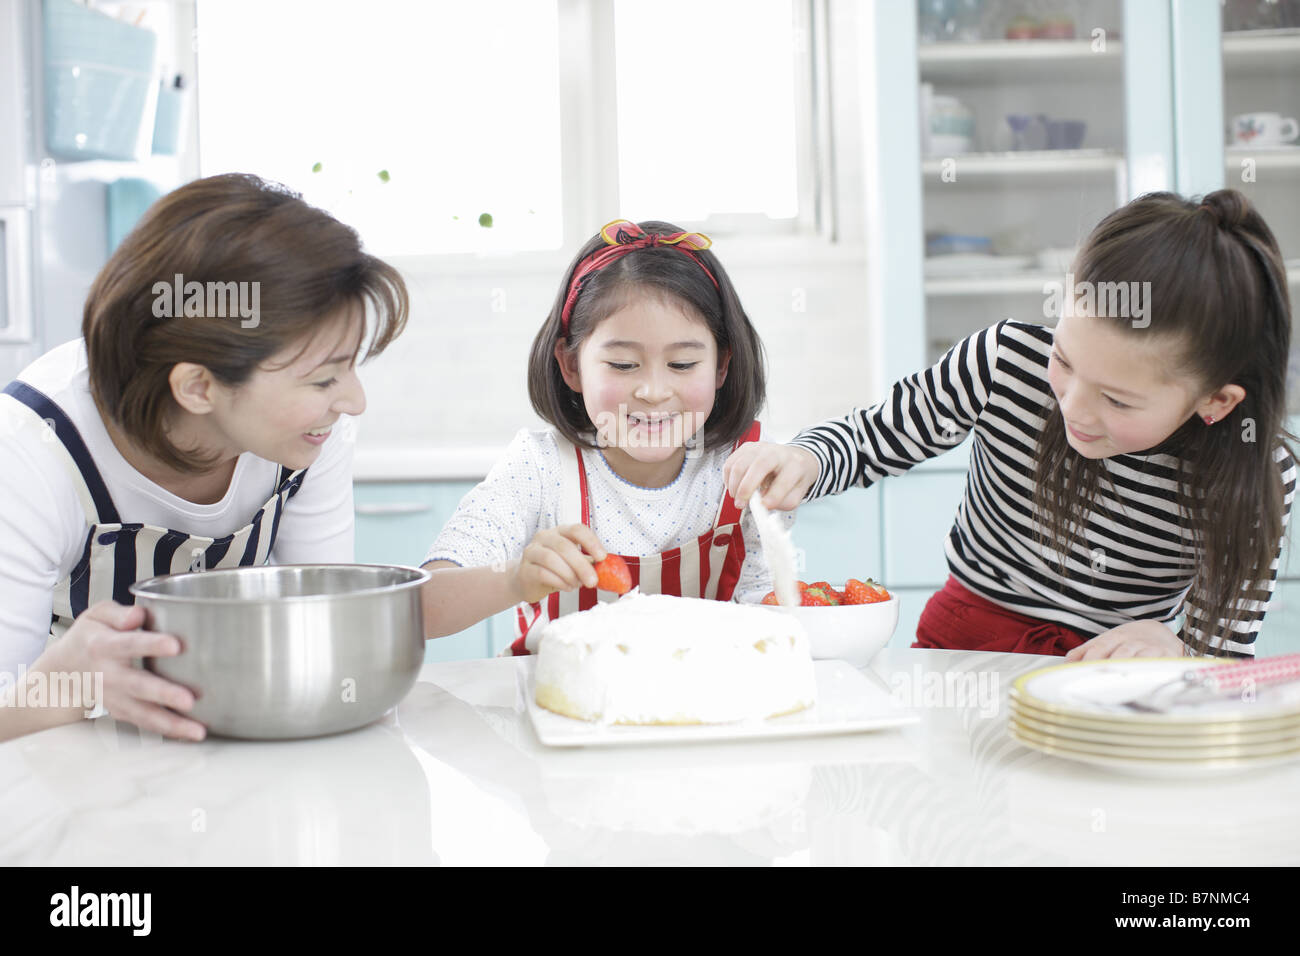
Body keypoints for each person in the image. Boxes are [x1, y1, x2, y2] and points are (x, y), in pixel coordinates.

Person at [724, 190, 1296, 658]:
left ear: (1216, 402)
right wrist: (807, 458)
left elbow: (1220, 650)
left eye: (1118, 401)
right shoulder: (1006, 361)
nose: (1073, 405)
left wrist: (1177, 649)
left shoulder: (1262, 471)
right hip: (965, 648)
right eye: (1065, 361)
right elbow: (876, 436)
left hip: (1113, 677)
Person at [0, 173, 408, 741]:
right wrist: (72, 683)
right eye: (322, 379)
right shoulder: (31, 451)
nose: (353, 402)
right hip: (56, 773)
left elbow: (320, 633)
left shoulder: (310, 432)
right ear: (196, 387)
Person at [421, 219, 779, 655]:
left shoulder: (742, 471)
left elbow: (770, 622)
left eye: (682, 364)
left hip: (696, 717)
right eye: (624, 365)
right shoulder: (539, 468)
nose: (652, 391)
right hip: (556, 715)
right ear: (571, 366)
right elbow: (422, 607)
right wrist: (515, 578)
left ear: (721, 367)